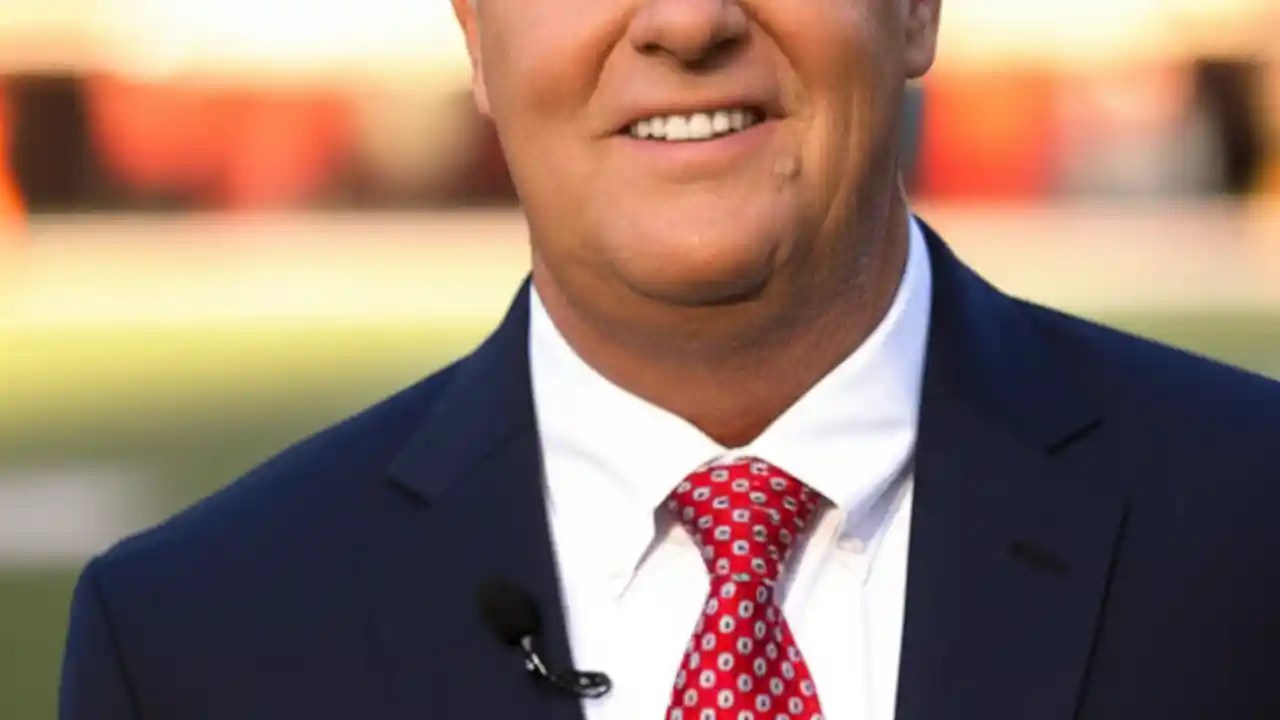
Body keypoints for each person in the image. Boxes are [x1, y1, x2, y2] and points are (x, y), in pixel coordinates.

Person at [60, 0, 1280, 718]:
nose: (689, 21)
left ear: (914, 6)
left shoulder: (1250, 533)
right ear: (473, 30)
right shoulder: (191, 648)